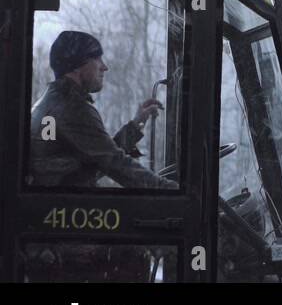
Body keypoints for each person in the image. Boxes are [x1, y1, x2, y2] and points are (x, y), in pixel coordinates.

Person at [29, 30, 174, 189]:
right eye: (97, 58)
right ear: (77, 65)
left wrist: (135, 125)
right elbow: (115, 163)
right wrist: (174, 192)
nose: (104, 67)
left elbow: (97, 159)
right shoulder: (73, 109)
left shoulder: (53, 101)